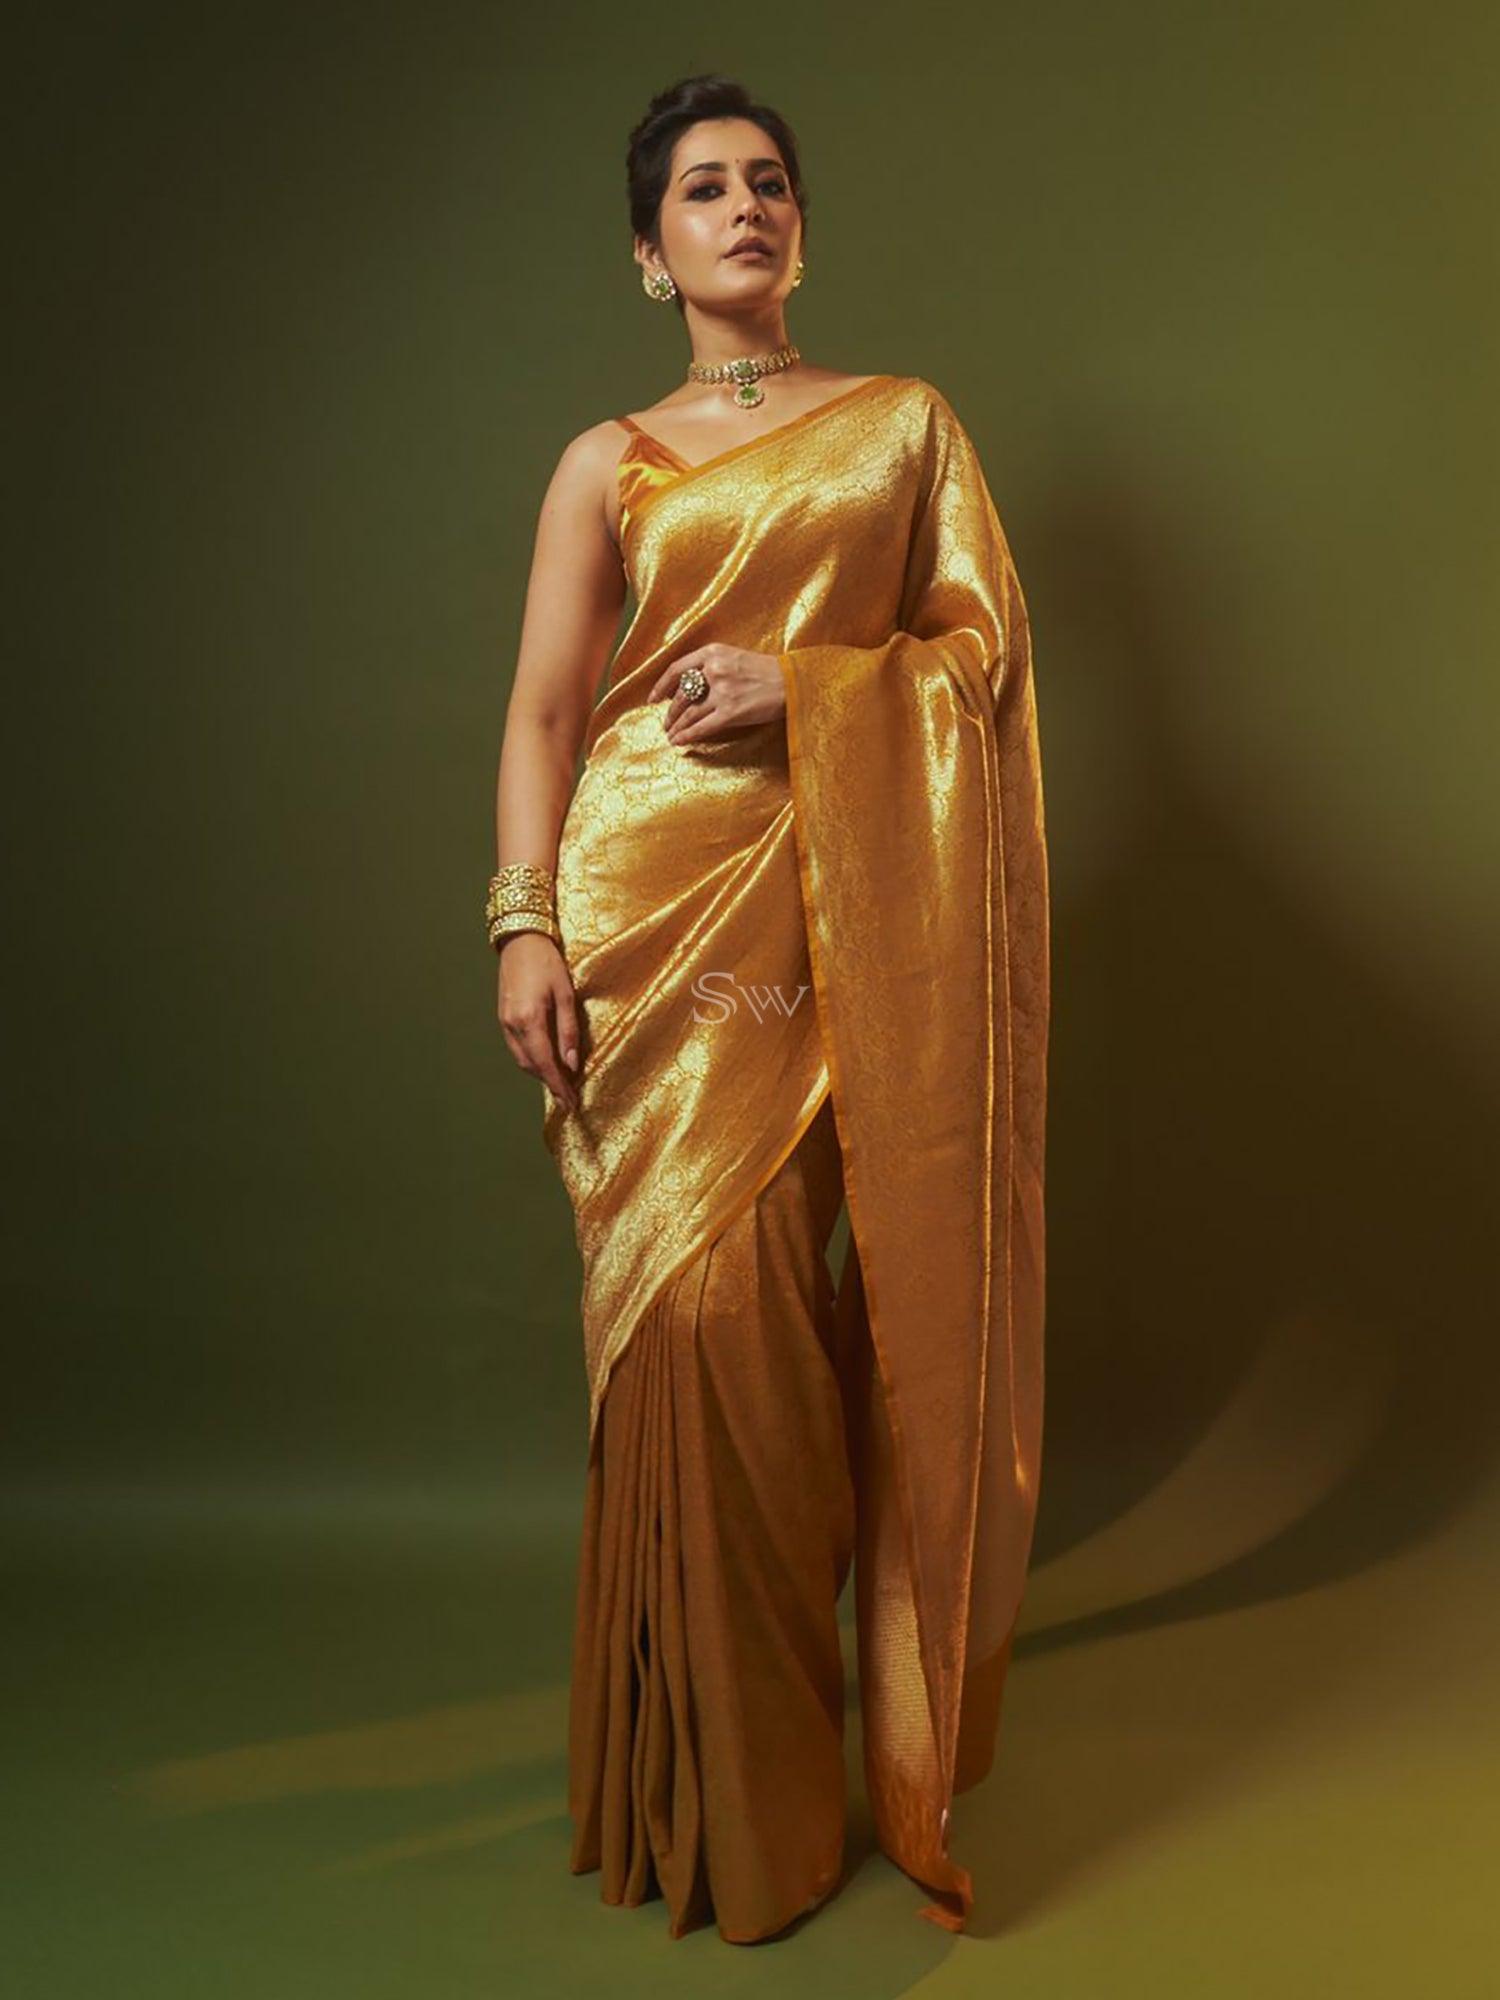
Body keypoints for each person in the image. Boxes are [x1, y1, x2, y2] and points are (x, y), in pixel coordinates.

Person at [487, 72, 1050, 1945]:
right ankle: (728, 1800)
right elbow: (547, 713)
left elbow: (980, 658)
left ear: (799, 225)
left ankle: (817, 1756)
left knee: (810, 1336)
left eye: (770, 182)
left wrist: (802, 686)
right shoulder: (607, 461)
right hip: (646, 926)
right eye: (704, 191)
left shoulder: (904, 428)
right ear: (651, 255)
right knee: (706, 1325)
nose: (746, 207)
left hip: (844, 910)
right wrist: (522, 927)